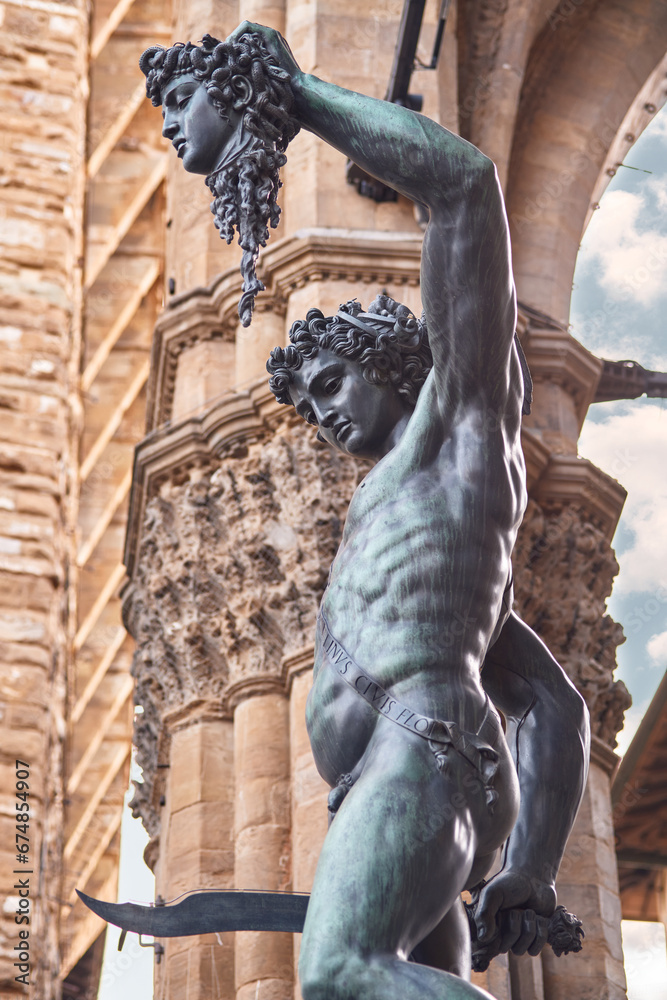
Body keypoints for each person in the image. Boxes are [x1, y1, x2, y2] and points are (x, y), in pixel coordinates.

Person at [142, 23, 590, 997]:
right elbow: (551, 700)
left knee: (341, 973)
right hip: (396, 769)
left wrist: (292, 92)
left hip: (417, 748)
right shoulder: (418, 529)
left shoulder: (462, 423)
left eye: (334, 384)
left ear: (396, 367)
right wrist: (529, 865)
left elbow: (465, 187)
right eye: (307, 406)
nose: (324, 415)